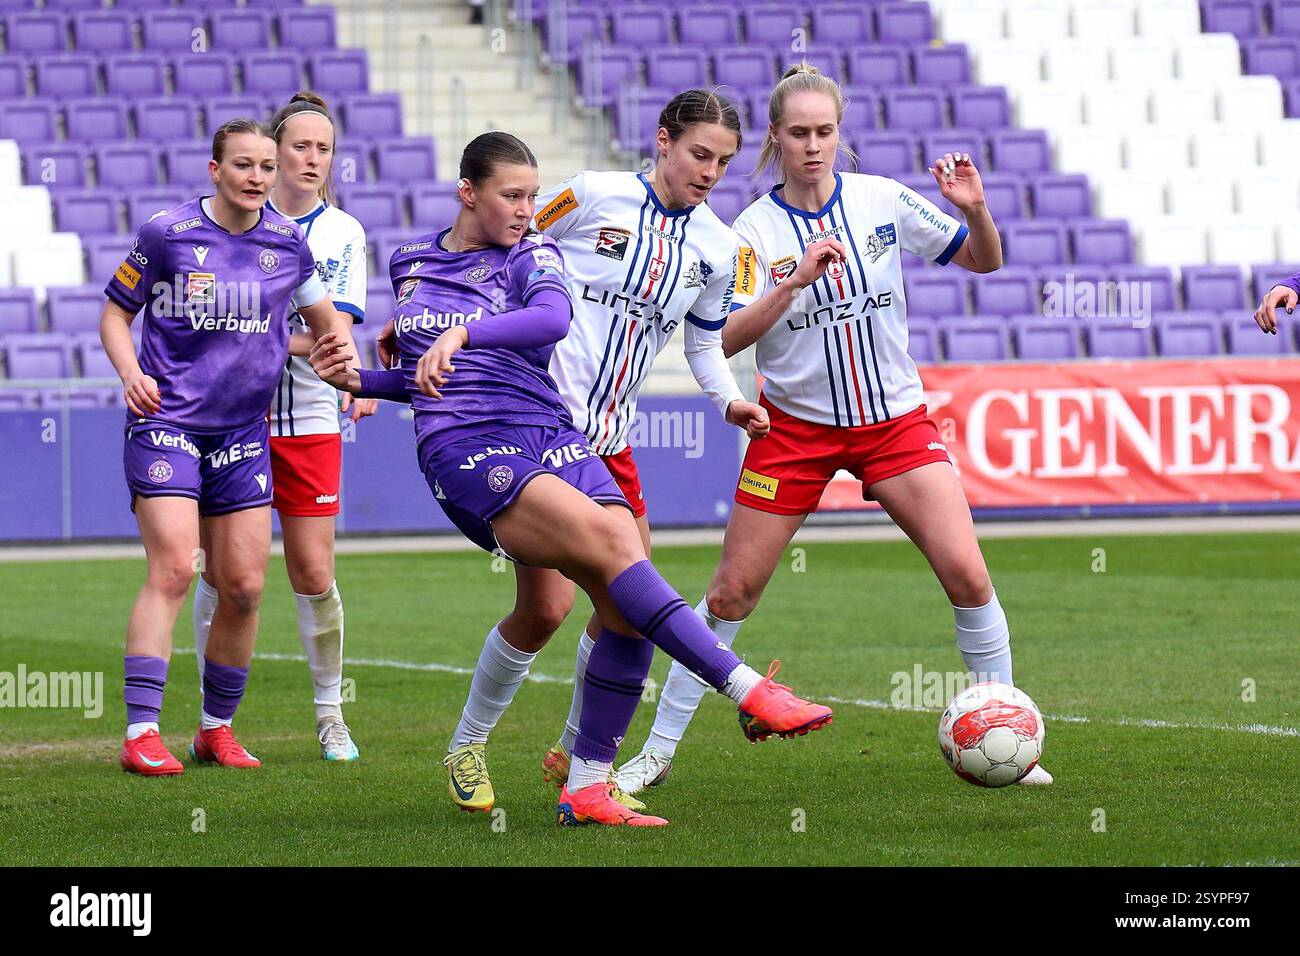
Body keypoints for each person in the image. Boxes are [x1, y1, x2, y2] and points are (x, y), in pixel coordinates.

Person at [309, 130, 832, 827]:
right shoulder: (412, 262)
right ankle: (743, 689)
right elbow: (431, 374)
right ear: (468, 193)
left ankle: (586, 785)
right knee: (612, 564)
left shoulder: (536, 253)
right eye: (510, 195)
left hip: (558, 433)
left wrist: (462, 335)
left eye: (532, 195)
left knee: (620, 607)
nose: (526, 209)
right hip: (468, 445)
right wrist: (365, 379)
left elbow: (552, 320)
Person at [616, 63, 1054, 793]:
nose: (812, 145)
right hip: (795, 433)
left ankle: (1008, 733)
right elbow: (722, 339)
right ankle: (656, 754)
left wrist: (975, 209)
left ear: (838, 134)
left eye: (824, 131)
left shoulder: (884, 202)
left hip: (894, 424)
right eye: (798, 133)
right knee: (729, 596)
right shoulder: (748, 232)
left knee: (969, 574)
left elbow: (985, 259)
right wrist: (793, 284)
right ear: (775, 138)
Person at [428, 90, 772, 815]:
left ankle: (580, 767)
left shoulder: (720, 248)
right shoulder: (589, 196)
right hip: (533, 431)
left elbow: (704, 342)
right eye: (699, 154)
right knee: (549, 610)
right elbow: (508, 247)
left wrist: (728, 400)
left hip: (609, 444)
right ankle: (468, 743)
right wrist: (447, 327)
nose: (710, 171)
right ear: (663, 142)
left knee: (626, 611)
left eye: (724, 161)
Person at [104, 118, 354, 776]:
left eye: (265, 168)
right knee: (178, 569)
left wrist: (353, 372)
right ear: (215, 170)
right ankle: (141, 732)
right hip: (169, 423)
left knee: (243, 586)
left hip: (243, 434)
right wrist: (131, 373)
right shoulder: (169, 234)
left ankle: (215, 730)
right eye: (243, 165)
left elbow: (327, 326)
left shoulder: (288, 243)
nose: (257, 178)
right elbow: (114, 313)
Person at [192, 92, 375, 763]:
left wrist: (263, 333)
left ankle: (330, 715)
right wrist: (279, 334)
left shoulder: (343, 234)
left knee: (312, 571)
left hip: (308, 420)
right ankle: (213, 721)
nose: (312, 160)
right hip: (229, 417)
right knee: (222, 575)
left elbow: (335, 338)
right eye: (301, 146)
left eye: (324, 149)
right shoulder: (234, 221)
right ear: (271, 152)